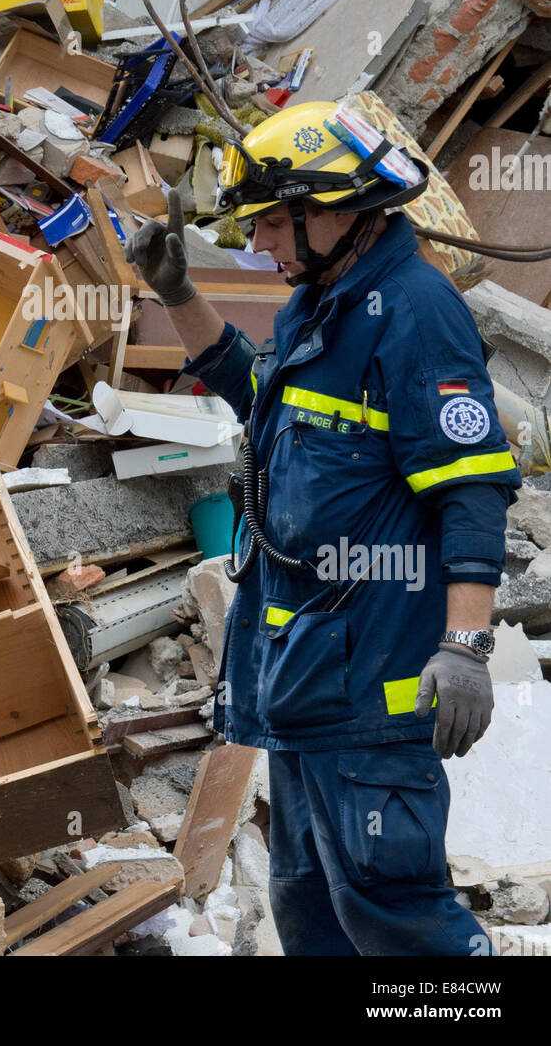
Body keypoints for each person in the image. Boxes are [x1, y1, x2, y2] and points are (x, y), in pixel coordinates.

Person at [124, 101, 520, 957]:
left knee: (401, 920)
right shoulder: (324, 302)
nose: (260, 247)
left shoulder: (415, 313)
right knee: (313, 917)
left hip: (370, 694)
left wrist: (467, 647)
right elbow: (259, 400)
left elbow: (473, 490)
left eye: (271, 224)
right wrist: (178, 295)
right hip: (304, 689)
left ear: (335, 207)